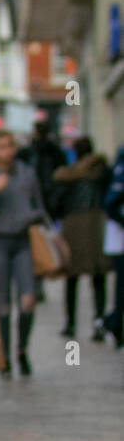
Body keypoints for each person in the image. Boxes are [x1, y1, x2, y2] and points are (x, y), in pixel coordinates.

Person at [0, 130, 46, 377]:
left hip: (23, 241)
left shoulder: (26, 172)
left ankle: (22, 350)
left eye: (10, 146)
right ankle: (4, 358)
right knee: (3, 304)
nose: (8, 151)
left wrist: (40, 222)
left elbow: (39, 206)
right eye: (2, 147)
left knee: (27, 300)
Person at [52, 136, 111, 339]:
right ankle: (99, 322)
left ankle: (70, 324)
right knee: (98, 277)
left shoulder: (67, 176)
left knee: (72, 277)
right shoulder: (102, 171)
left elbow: (56, 202)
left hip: (73, 226)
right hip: (96, 225)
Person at [101, 145, 124, 346]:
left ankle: (112, 322)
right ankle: (114, 324)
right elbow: (111, 203)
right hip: (119, 239)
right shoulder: (120, 168)